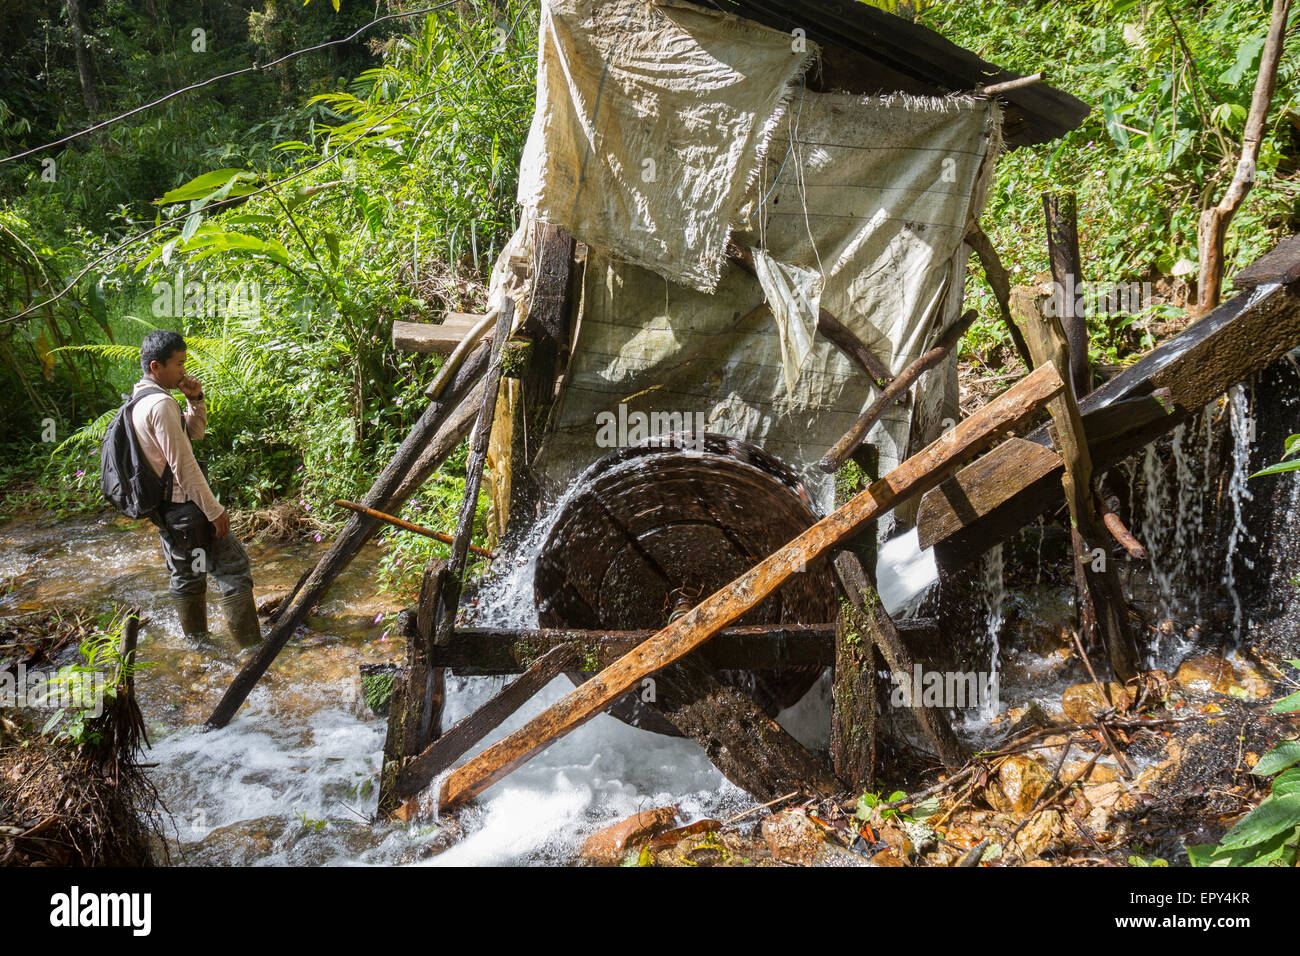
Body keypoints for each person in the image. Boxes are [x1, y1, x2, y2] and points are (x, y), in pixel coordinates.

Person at [131, 329, 261, 647]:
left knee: (189, 573)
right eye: (177, 364)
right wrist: (214, 510)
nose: (183, 371)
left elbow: (195, 433)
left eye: (184, 363)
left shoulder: (140, 400)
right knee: (232, 568)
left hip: (166, 513)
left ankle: (199, 650)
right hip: (188, 509)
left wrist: (194, 400)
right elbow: (183, 466)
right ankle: (252, 652)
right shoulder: (160, 405)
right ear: (155, 366)